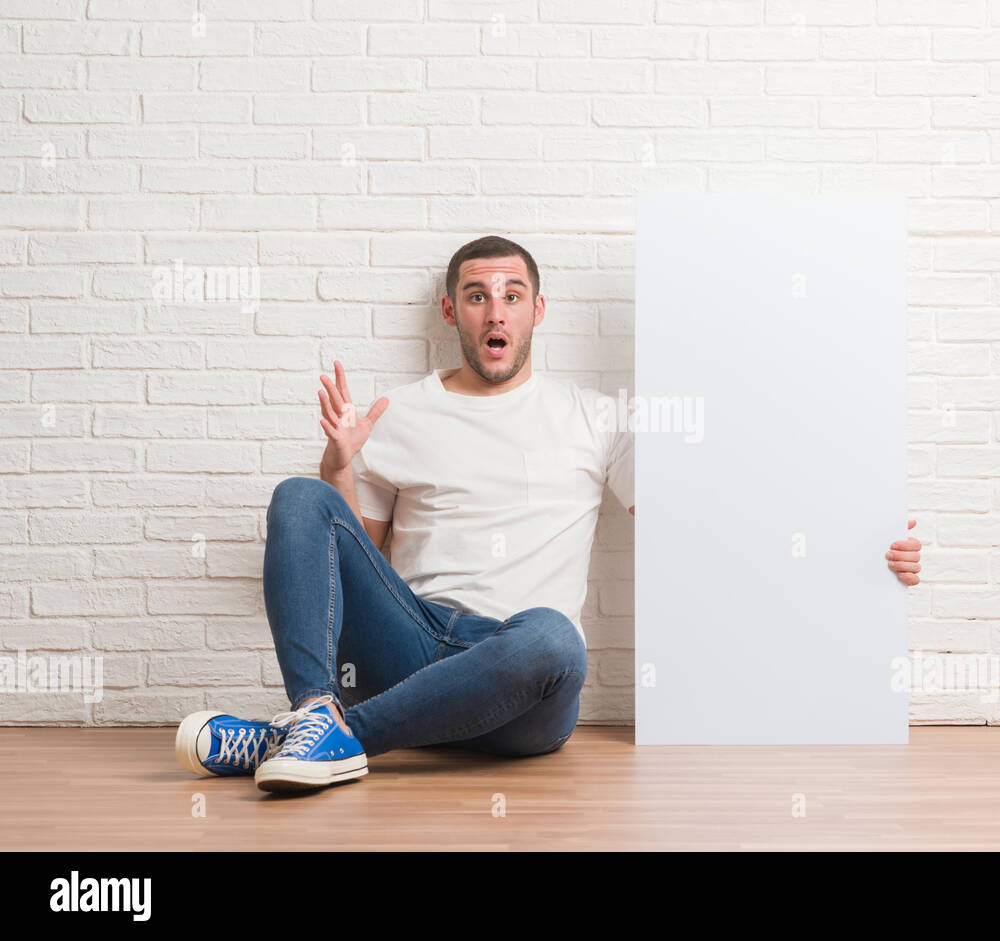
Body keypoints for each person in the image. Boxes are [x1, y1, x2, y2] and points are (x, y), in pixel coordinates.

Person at [174, 235, 924, 794]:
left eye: (510, 293)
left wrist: (853, 544)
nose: (493, 310)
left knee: (553, 636)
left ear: (537, 308)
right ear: (451, 310)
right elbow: (345, 574)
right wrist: (339, 466)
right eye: (476, 294)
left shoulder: (596, 418)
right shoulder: (396, 412)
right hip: (411, 647)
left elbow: (709, 525)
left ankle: (312, 738)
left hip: (520, 682)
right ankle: (314, 715)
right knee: (300, 495)